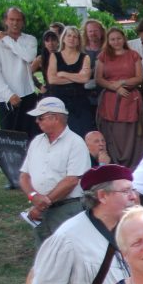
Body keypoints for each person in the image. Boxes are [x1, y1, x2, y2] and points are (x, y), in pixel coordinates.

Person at [20, 97, 90, 244]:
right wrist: (34, 196)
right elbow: (24, 175)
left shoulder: (76, 143)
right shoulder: (37, 141)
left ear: (55, 118)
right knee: (44, 254)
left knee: (69, 252)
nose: (37, 121)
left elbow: (71, 181)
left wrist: (43, 203)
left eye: (40, 118)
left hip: (66, 209)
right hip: (40, 208)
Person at [96, 26, 143, 168]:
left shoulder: (133, 55)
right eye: (112, 39)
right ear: (108, 40)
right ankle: (112, 165)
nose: (116, 41)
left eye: (118, 38)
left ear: (124, 39)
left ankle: (131, 165)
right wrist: (115, 87)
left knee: (129, 133)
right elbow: (99, 79)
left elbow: (139, 78)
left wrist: (123, 82)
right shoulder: (103, 56)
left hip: (130, 100)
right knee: (111, 132)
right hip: (110, 100)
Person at [0, 6, 39, 135]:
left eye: (18, 20)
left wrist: (7, 40)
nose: (15, 23)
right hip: (6, 98)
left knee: (30, 137)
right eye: (11, 19)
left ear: (23, 22)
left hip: (27, 93)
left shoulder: (30, 39)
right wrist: (8, 94)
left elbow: (28, 57)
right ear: (6, 21)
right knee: (9, 139)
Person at [46, 26, 96, 137]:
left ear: (79, 41)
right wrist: (76, 78)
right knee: (62, 135)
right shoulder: (55, 56)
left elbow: (84, 79)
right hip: (59, 102)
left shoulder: (85, 57)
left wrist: (64, 74)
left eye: (75, 37)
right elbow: (52, 79)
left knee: (83, 134)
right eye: (69, 35)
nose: (71, 39)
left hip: (80, 102)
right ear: (63, 38)